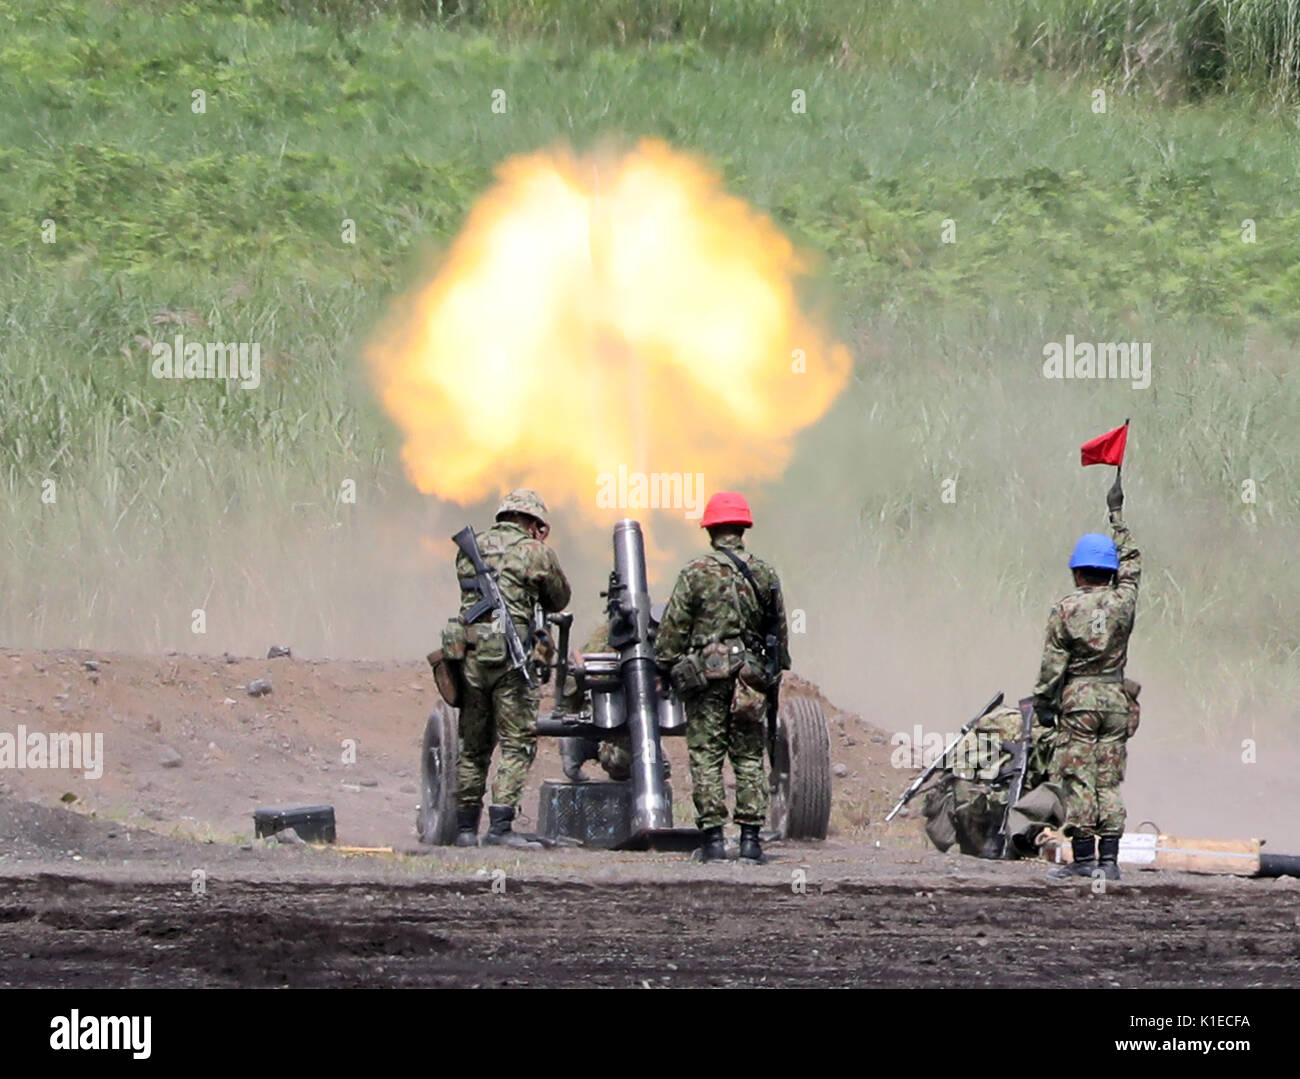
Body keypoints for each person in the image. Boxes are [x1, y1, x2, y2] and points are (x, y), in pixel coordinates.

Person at [653, 492, 791, 864]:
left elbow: (672, 629)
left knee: (706, 755)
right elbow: (778, 629)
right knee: (748, 756)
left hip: (706, 678)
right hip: (750, 677)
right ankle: (750, 842)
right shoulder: (764, 572)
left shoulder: (695, 571)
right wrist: (774, 673)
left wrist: (665, 666)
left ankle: (713, 841)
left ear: (711, 529)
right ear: (743, 527)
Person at [1032, 475, 1141, 881]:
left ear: (1078, 573)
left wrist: (1044, 708)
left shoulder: (1065, 609)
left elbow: (1051, 669)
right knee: (1109, 779)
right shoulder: (1123, 601)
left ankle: (1083, 861)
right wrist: (1117, 515)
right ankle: (1110, 863)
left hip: (1078, 701)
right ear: (1110, 573)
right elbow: (1134, 562)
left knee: (1080, 778)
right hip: (1115, 700)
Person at [447, 489, 570, 848]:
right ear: (534, 523)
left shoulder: (472, 548)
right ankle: (500, 828)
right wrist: (540, 546)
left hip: (471, 655)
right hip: (510, 660)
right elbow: (559, 598)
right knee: (517, 743)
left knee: (473, 744)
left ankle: (465, 830)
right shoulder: (536, 552)